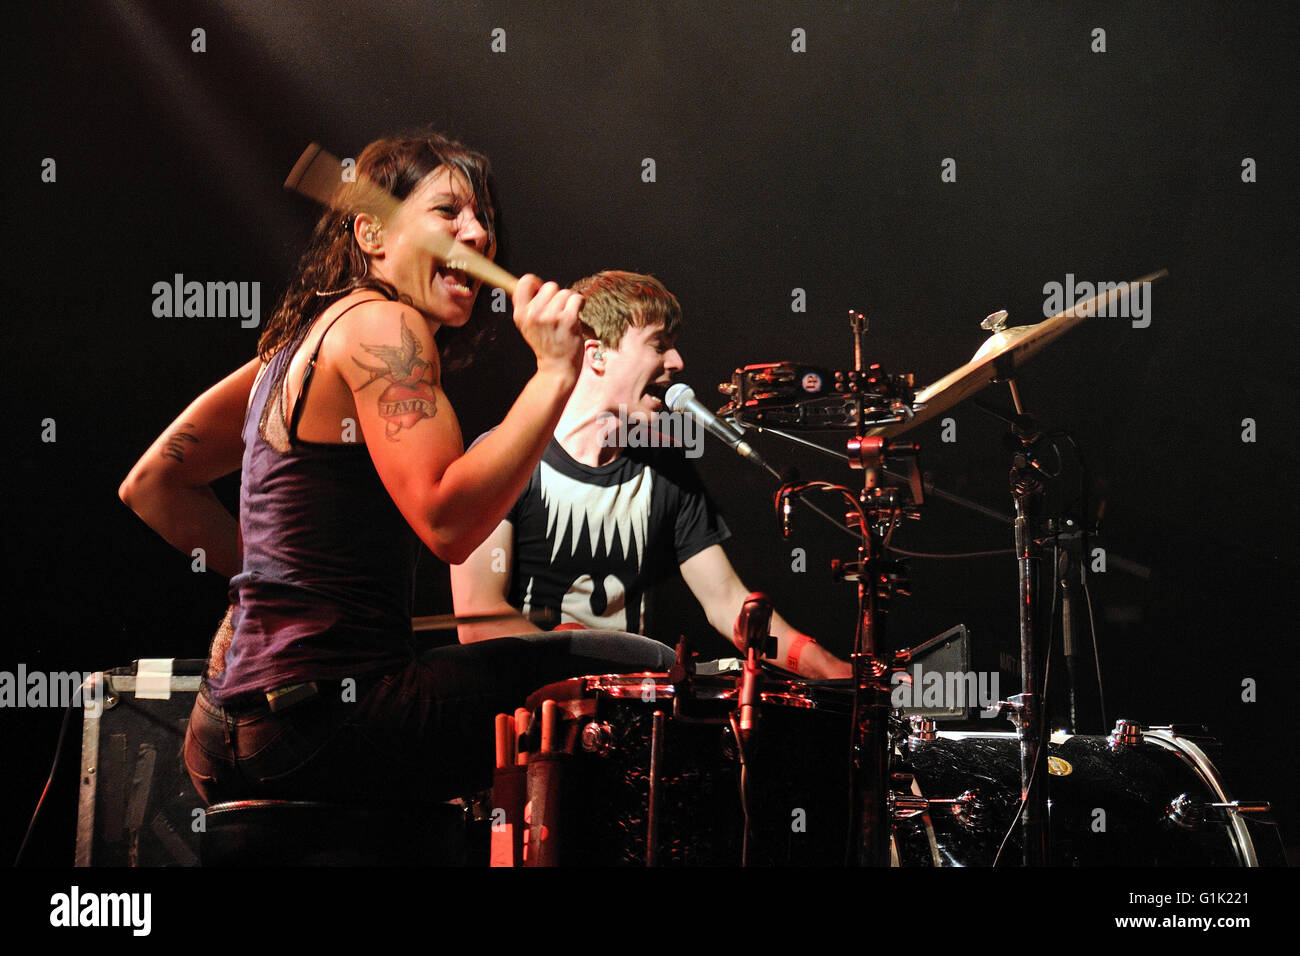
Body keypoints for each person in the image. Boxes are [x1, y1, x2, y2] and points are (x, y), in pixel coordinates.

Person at [119, 134, 673, 808]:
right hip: (326, 724)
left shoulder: (295, 348)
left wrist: (285, 592)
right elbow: (447, 523)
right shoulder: (387, 328)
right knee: (642, 670)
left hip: (220, 729)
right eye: (448, 212)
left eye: (485, 219)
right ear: (373, 234)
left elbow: (152, 484)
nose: (478, 233)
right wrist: (554, 372)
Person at [450, 271, 851, 679]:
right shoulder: (505, 459)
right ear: (597, 355)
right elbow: (479, 620)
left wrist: (830, 669)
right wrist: (577, 665)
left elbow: (728, 602)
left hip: (630, 726)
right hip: (528, 722)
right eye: (659, 345)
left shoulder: (664, 466)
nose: (677, 363)